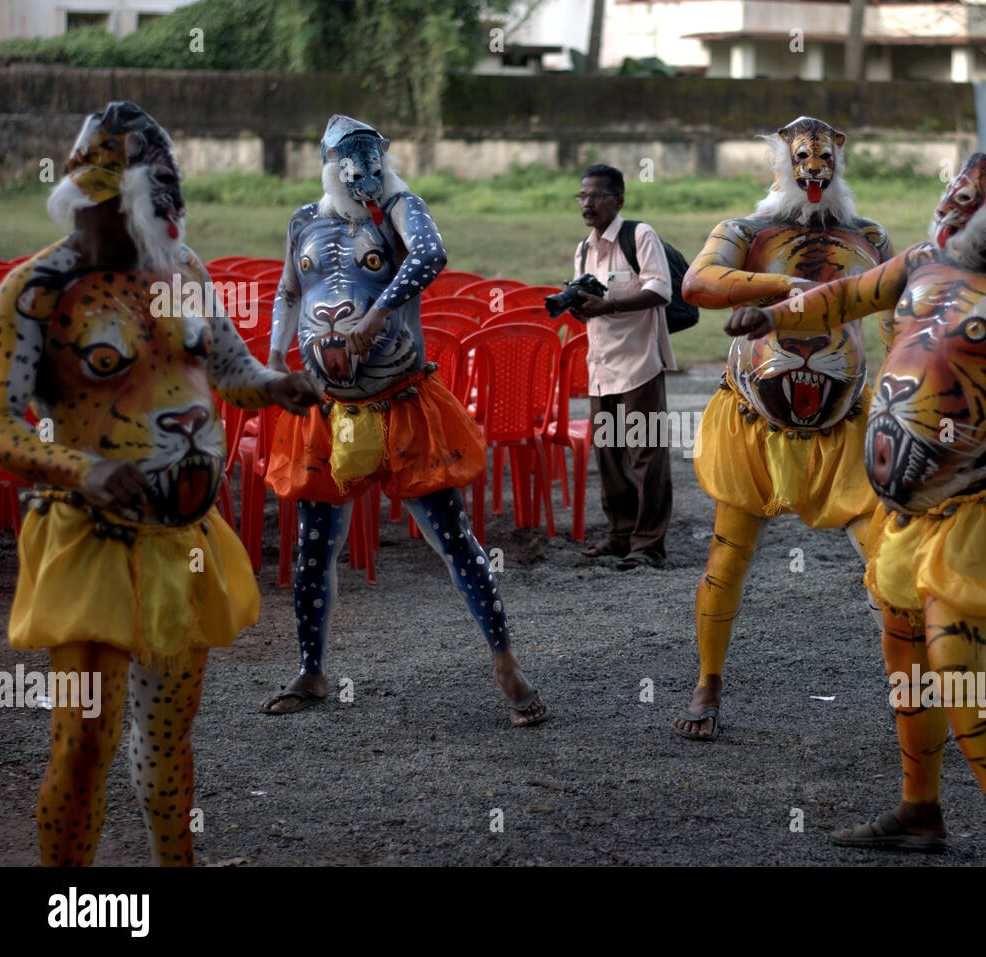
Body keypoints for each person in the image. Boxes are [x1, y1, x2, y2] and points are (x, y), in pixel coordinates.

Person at [726, 146, 986, 865]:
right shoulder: (922, 262)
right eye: (953, 192)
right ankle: (920, 810)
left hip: (979, 513)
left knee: (954, 660)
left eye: (970, 200)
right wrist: (775, 312)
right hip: (903, 517)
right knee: (907, 663)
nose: (951, 206)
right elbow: (845, 296)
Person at [0, 101, 323, 865]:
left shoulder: (181, 271)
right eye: (158, 202)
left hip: (185, 544)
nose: (174, 223)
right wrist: (83, 468)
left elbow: (225, 368)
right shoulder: (36, 290)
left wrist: (275, 385)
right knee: (83, 744)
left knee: (169, 735)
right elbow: (2, 427)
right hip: (89, 549)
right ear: (103, 198)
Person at [259, 115, 547, 726]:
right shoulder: (303, 221)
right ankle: (311, 671)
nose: (362, 176)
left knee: (453, 541)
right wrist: (273, 363)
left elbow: (432, 255)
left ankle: (506, 664)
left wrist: (375, 316)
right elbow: (288, 292)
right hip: (327, 408)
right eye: (349, 164)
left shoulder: (400, 209)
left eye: (371, 164)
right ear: (329, 163)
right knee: (315, 547)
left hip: (402, 404)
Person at [672, 116, 892, 741]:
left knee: (888, 559)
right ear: (782, 163)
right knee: (728, 558)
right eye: (802, 159)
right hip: (753, 427)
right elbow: (697, 285)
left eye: (824, 160)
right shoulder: (745, 232)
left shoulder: (869, 236)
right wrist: (785, 286)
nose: (814, 170)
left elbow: (905, 309)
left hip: (844, 423)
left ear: (838, 163)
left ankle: (914, 685)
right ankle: (708, 680)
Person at [569, 163, 676, 570]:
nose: (587, 203)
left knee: (645, 455)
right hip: (601, 364)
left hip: (639, 363)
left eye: (596, 196)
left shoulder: (639, 235)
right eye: (582, 196)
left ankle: (649, 545)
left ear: (618, 200)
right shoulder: (584, 249)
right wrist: (582, 308)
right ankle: (620, 534)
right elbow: (586, 295)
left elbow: (660, 289)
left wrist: (609, 305)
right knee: (610, 453)